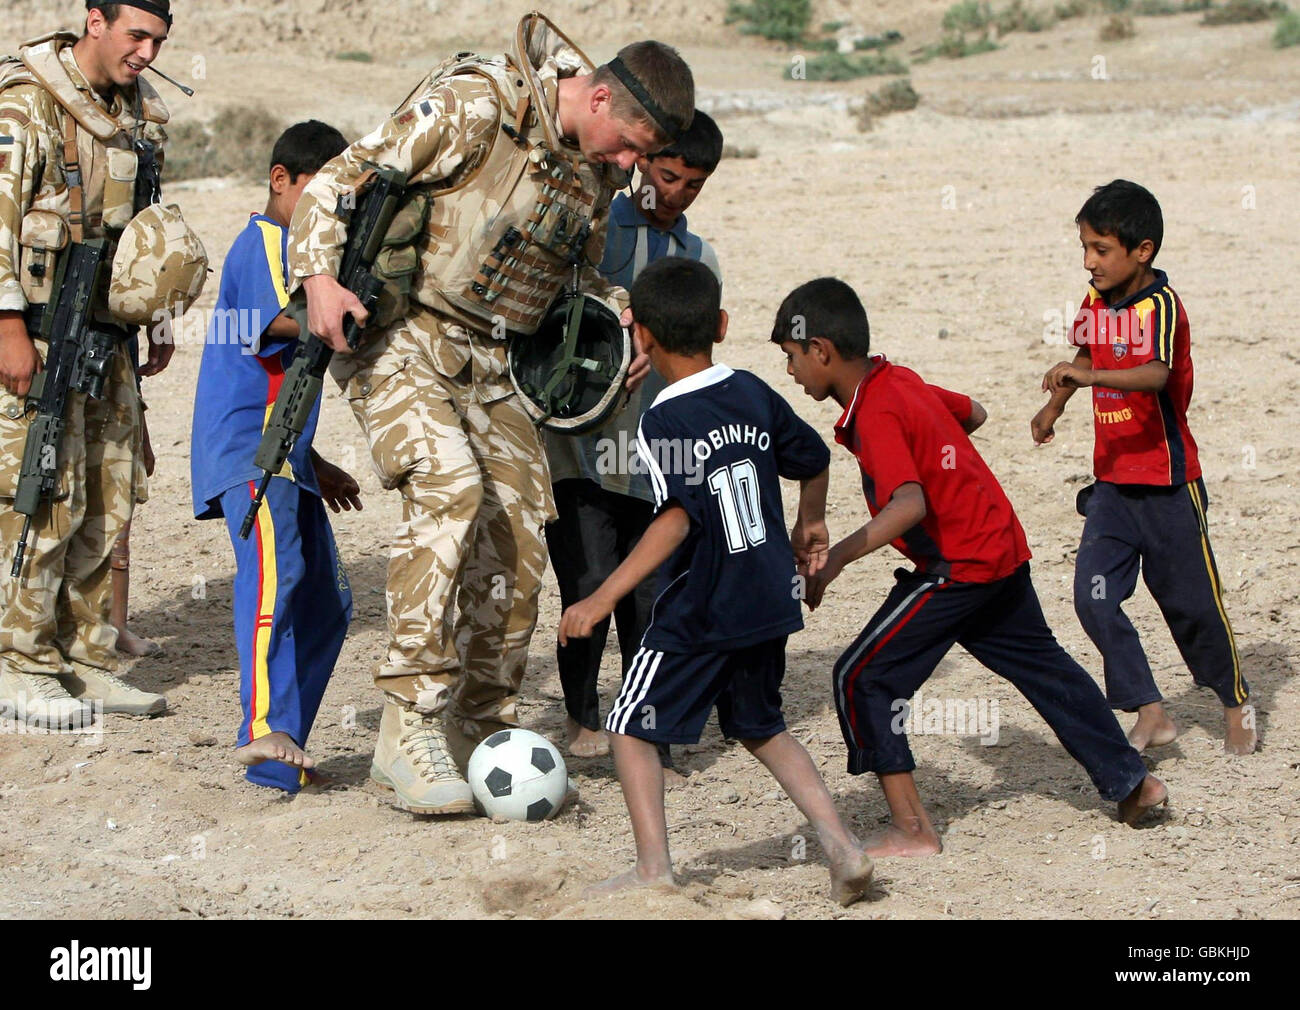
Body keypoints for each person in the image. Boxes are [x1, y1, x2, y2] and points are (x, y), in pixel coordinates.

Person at [287, 13, 695, 815]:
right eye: (627, 146)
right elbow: (336, 182)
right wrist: (317, 282)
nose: (627, 168)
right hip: (400, 334)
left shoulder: (593, 170)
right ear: (600, 93)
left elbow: (574, 275)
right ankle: (406, 729)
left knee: (518, 531)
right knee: (447, 487)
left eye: (640, 160)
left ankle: (479, 727)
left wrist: (618, 323)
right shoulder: (479, 104)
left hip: (495, 362)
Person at [774, 277, 1168, 858]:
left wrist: (833, 561)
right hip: (1000, 545)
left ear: (822, 350)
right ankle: (1135, 784)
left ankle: (913, 831)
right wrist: (938, 456)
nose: (790, 372)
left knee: (861, 677)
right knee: (1044, 668)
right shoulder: (897, 380)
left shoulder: (877, 409)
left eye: (791, 357)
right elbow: (973, 413)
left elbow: (910, 505)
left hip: (957, 565)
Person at [559, 257, 875, 904]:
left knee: (629, 727)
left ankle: (654, 871)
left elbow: (675, 520)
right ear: (722, 324)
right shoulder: (754, 390)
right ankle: (843, 848)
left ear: (639, 335)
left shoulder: (662, 421)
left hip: (702, 604)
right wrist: (807, 525)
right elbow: (813, 460)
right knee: (761, 726)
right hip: (767, 596)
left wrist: (601, 595)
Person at [0, 1, 186, 725]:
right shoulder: (29, 104)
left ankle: (87, 656)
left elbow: (146, 223)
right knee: (42, 495)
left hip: (109, 339)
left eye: (159, 41)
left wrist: (157, 311)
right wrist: (8, 327)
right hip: (39, 337)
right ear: (93, 21)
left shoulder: (138, 115)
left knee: (107, 499)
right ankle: (21, 663)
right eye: (136, 35)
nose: (146, 52)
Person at [1032, 179, 1255, 755]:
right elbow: (1084, 355)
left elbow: (1155, 373)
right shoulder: (1094, 303)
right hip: (1112, 488)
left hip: (1169, 486)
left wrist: (1089, 377)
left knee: (1192, 606)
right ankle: (1151, 710)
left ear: (1143, 250)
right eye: (1083, 247)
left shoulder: (1160, 305)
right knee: (1093, 597)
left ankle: (1236, 705)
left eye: (1100, 250)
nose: (1089, 262)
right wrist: (1054, 404)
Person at [543, 109, 724, 762]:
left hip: (656, 461)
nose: (673, 194)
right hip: (579, 448)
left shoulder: (700, 259)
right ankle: (582, 722)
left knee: (652, 600)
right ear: (640, 160)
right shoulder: (594, 231)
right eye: (666, 175)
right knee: (587, 580)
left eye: (692, 184)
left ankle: (650, 736)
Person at [190, 120, 360, 793]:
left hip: (289, 455)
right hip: (251, 452)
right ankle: (261, 725)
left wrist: (316, 462)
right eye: (317, 193)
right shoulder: (266, 241)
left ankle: (278, 761)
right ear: (280, 181)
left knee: (329, 599)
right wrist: (356, 306)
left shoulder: (303, 251)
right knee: (275, 576)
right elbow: (278, 325)